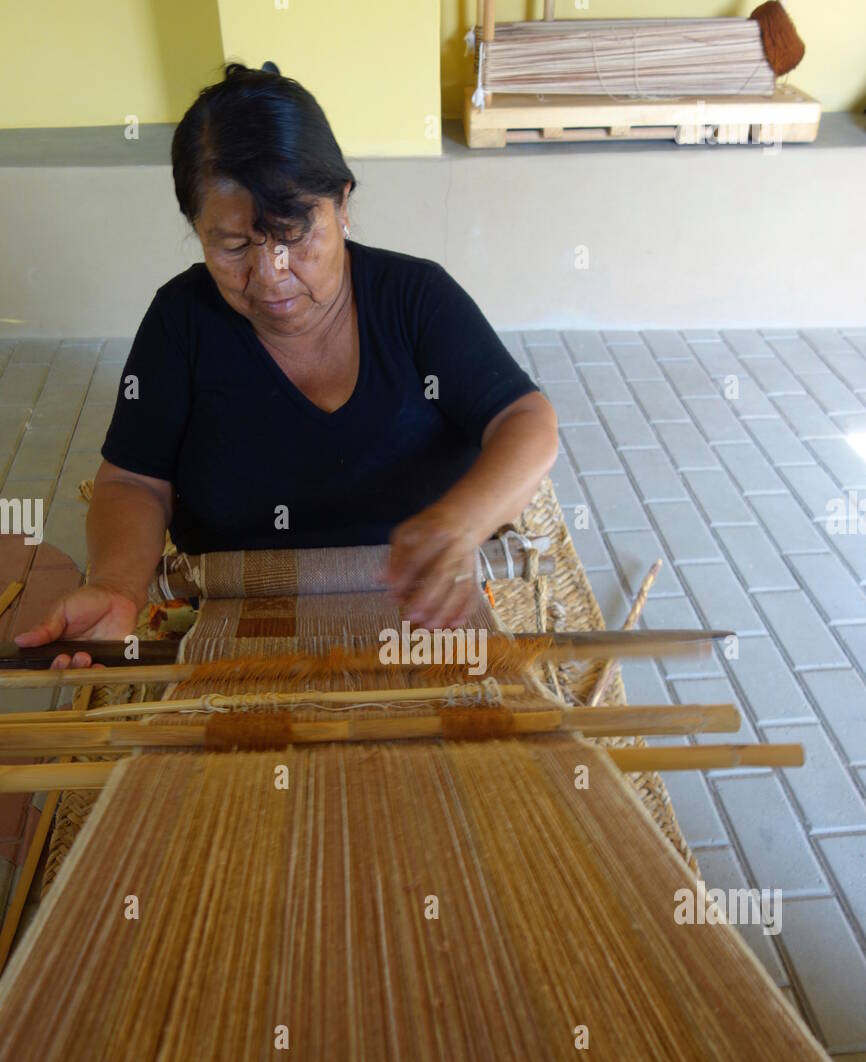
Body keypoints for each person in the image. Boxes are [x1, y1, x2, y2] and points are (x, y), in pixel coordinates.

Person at [16, 63, 558, 670]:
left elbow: (525, 418)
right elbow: (132, 482)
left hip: (419, 608)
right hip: (236, 611)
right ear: (197, 230)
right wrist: (118, 584)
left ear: (342, 205)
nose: (272, 275)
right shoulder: (182, 322)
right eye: (235, 246)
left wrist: (461, 523)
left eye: (295, 233)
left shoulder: (415, 298)